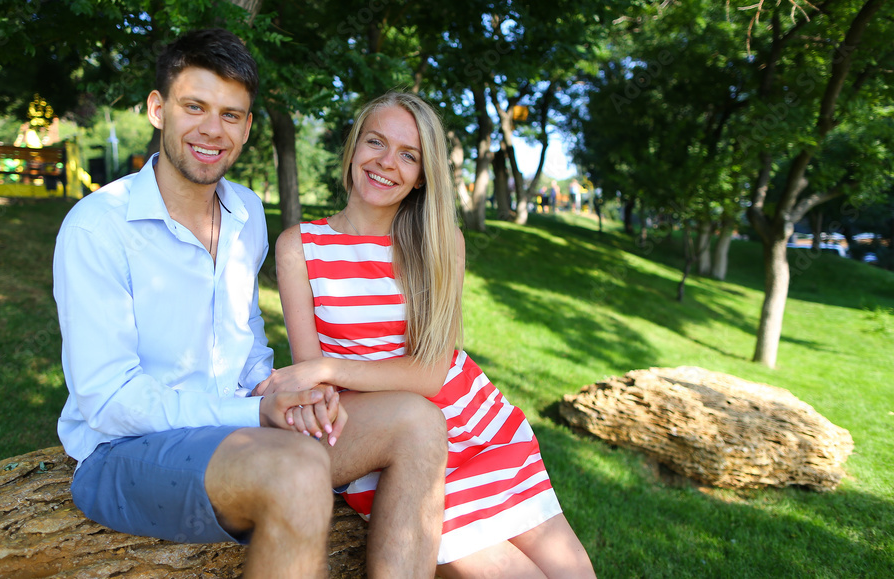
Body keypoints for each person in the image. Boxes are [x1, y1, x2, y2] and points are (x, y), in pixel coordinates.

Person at [54, 30, 447, 578]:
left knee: (419, 420)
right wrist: (255, 411)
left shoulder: (244, 212)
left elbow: (242, 341)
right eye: (195, 107)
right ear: (158, 109)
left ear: (247, 127)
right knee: (298, 470)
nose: (212, 130)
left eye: (232, 115)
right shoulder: (98, 227)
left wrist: (290, 391)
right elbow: (109, 400)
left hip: (240, 431)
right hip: (125, 451)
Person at [257, 91, 596, 578]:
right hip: (387, 437)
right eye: (376, 142)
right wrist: (322, 376)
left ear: (421, 176)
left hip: (478, 427)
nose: (386, 162)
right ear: (353, 147)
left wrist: (328, 366)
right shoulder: (300, 247)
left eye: (408, 155)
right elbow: (315, 386)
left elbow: (432, 373)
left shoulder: (440, 243)